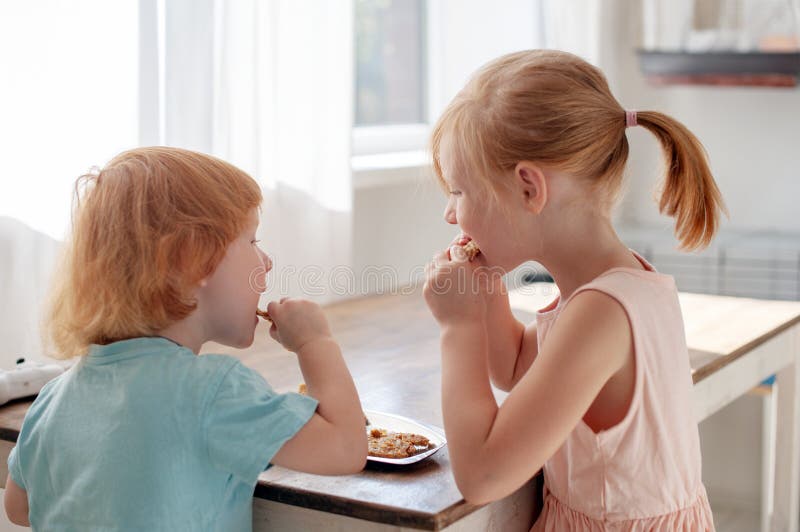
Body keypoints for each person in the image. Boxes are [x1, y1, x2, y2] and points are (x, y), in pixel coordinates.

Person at [423, 50, 725, 530]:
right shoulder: (610, 287)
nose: (450, 214)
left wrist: (456, 328)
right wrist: (483, 293)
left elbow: (482, 476)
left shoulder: (601, 313)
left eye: (458, 192)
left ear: (528, 188)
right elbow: (516, 369)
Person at [4, 147, 367, 531]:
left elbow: (19, 507)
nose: (267, 261)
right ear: (195, 259)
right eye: (252, 241)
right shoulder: (212, 390)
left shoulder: (53, 399)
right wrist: (316, 343)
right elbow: (346, 448)